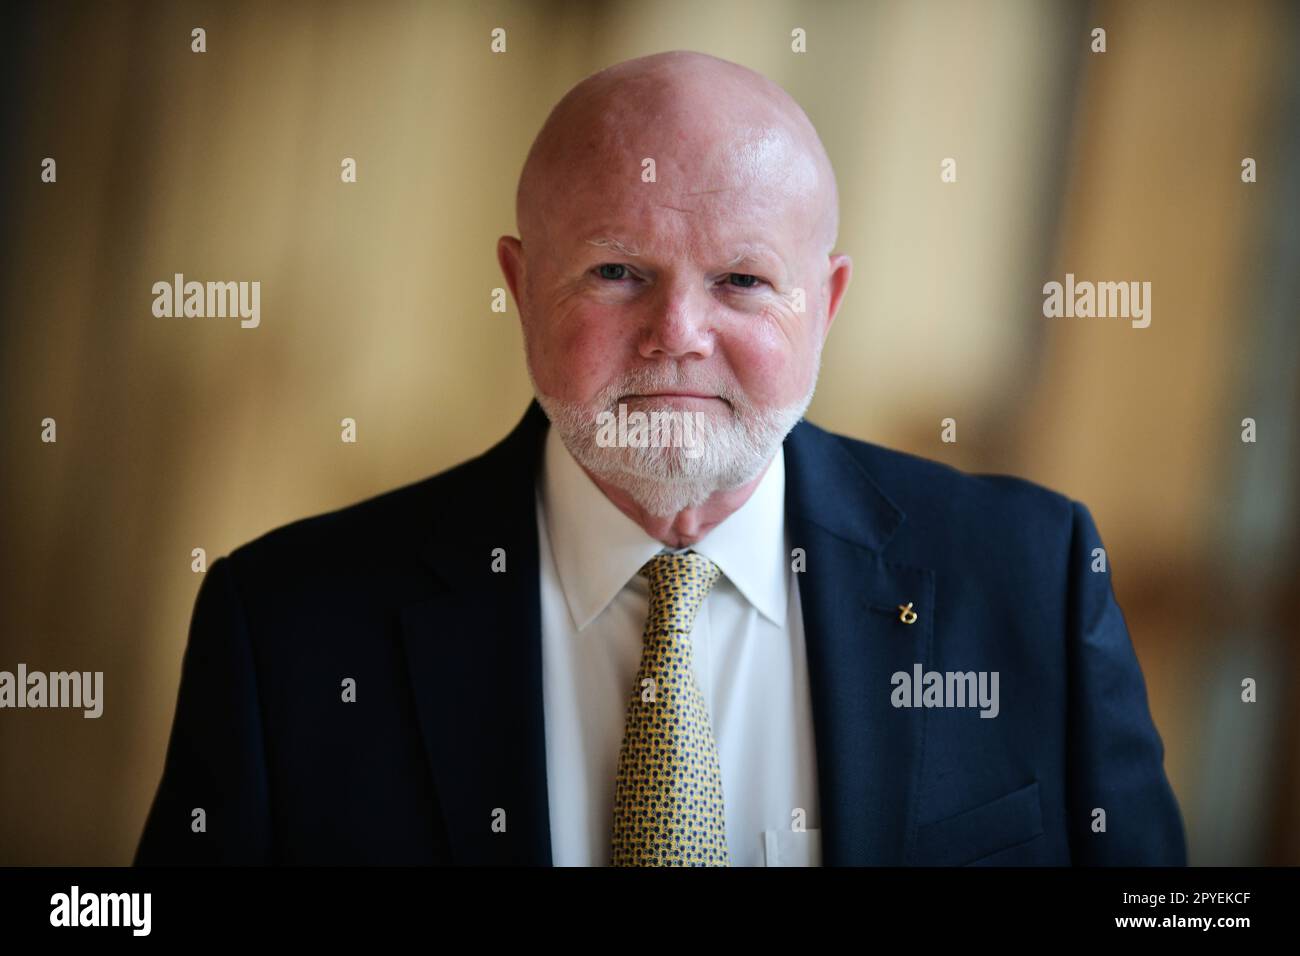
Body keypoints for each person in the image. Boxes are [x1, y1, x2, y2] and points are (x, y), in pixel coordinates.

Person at [134, 50, 1186, 866]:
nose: (676, 330)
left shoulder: (1027, 575)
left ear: (824, 304)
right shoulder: (289, 620)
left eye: (739, 280)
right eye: (616, 269)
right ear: (518, 283)